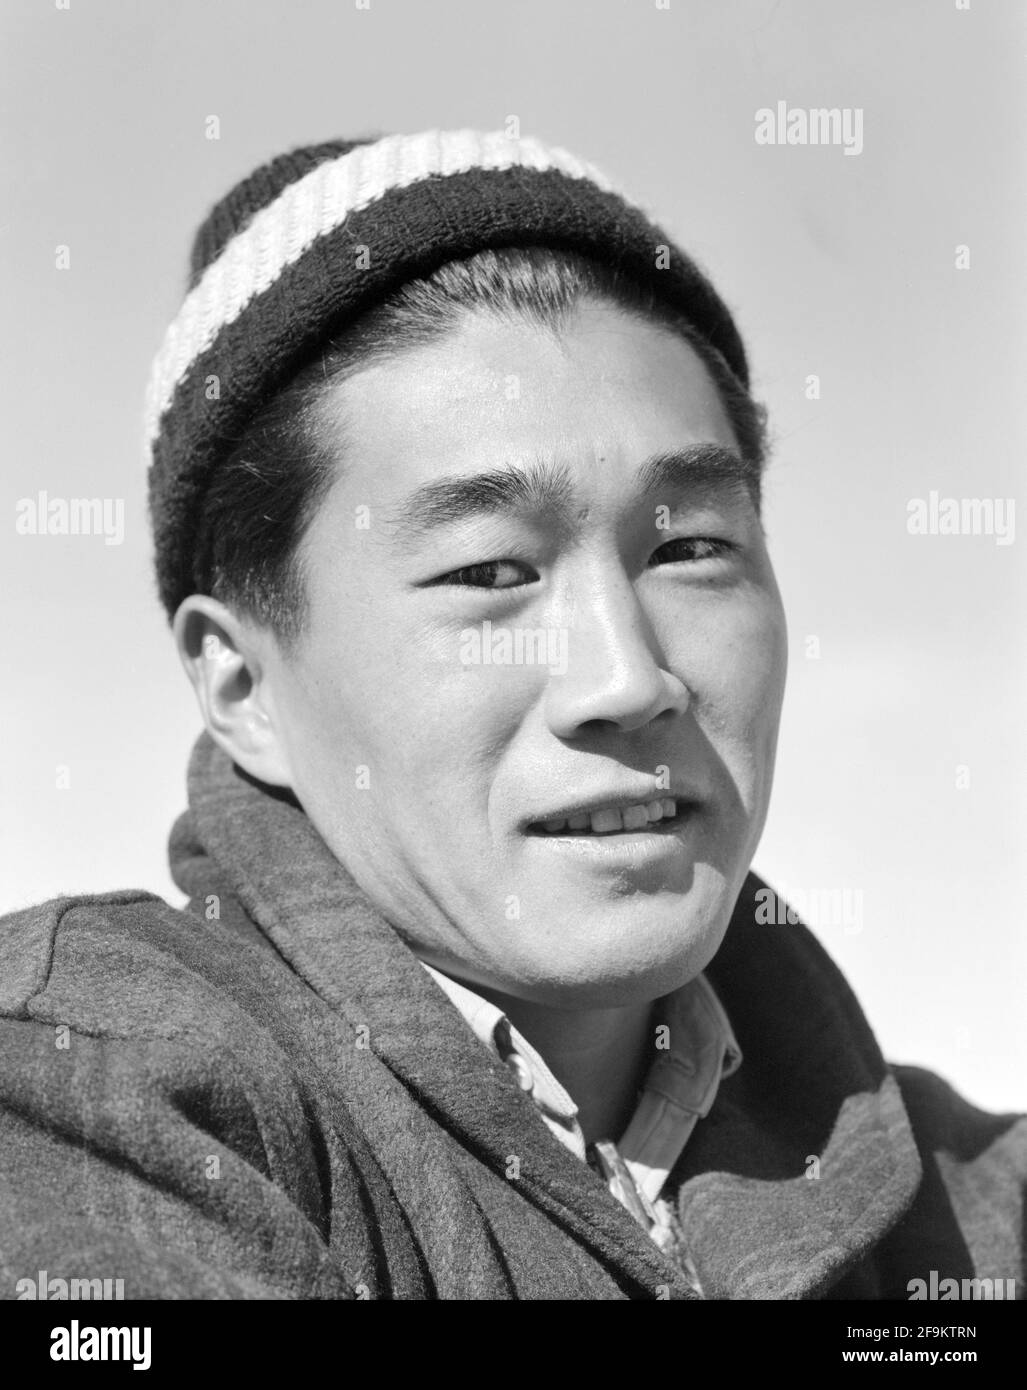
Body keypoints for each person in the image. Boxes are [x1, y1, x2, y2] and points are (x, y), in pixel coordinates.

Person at [1, 129, 1023, 1301]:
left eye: (689, 546)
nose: (627, 679)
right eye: (490, 574)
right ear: (242, 687)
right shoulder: (88, 1089)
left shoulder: (974, 1208)